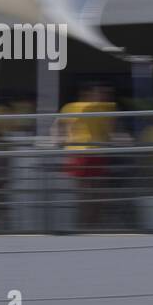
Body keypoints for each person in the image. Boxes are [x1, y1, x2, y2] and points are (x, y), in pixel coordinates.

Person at [57, 82, 117, 230]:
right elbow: (61, 127)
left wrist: (63, 141)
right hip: (82, 153)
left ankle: (90, 223)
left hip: (94, 152)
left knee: (94, 192)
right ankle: (87, 224)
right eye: (99, 93)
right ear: (87, 94)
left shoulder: (104, 108)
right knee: (87, 193)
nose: (103, 97)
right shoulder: (74, 107)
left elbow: (110, 130)